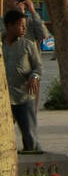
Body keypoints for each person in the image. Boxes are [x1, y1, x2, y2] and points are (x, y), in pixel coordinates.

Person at [4, 9, 42, 151]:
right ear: (9, 26)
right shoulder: (1, 45)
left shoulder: (28, 45)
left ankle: (34, 165)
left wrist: (34, 77)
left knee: (30, 136)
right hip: (4, 100)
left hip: (23, 98)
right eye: (20, 25)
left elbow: (38, 67)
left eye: (25, 25)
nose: (24, 28)